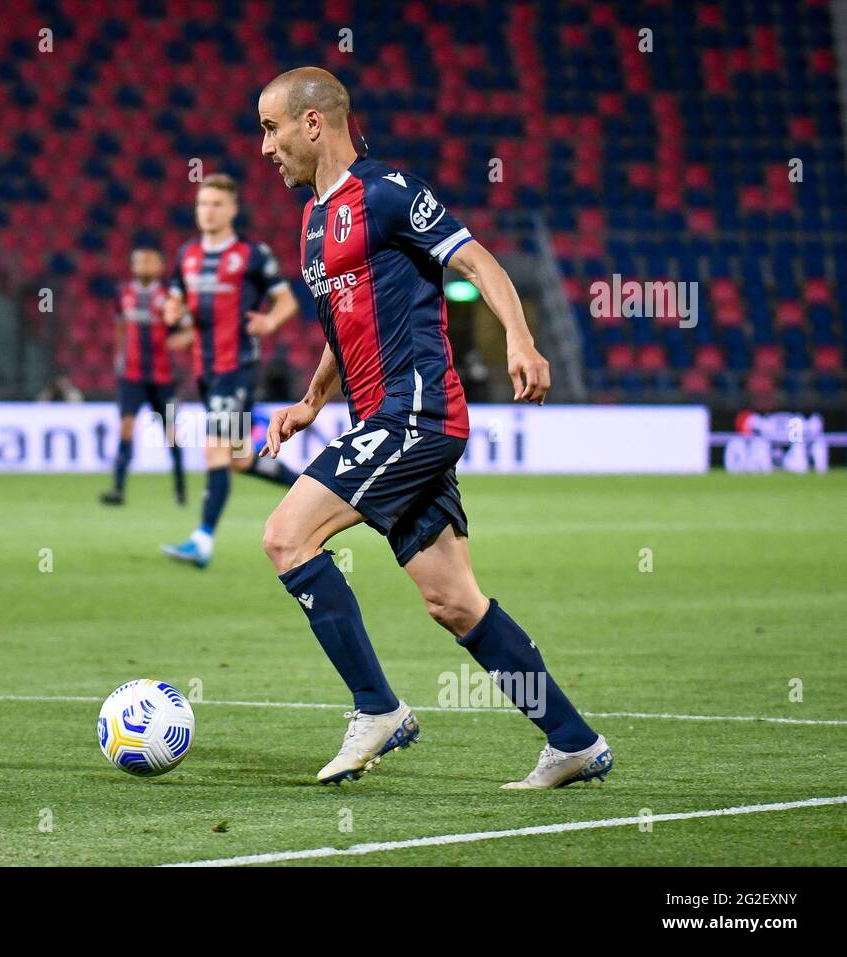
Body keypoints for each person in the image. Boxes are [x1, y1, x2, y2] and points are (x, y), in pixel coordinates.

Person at [256, 67, 613, 789]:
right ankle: (573, 740)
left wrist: (519, 337)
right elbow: (343, 325)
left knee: (286, 536)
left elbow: (477, 260)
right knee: (454, 601)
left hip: (415, 412)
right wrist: (312, 400)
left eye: (271, 127)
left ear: (314, 123)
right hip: (382, 418)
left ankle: (376, 708)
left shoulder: (388, 193)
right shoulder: (314, 219)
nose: (265, 147)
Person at [160, 173, 300, 569]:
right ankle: (310, 485)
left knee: (216, 448)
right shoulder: (186, 255)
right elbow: (177, 312)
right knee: (239, 457)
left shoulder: (253, 254)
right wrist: (174, 315)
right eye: (203, 203)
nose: (209, 211)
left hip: (237, 366)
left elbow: (286, 301)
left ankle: (202, 540)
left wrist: (269, 323)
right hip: (205, 370)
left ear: (233, 210)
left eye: (218, 204)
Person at [101, 246, 187, 506]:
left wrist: (177, 343)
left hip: (163, 377)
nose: (143, 264)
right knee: (126, 428)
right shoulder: (123, 294)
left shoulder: (168, 297)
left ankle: (180, 489)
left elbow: (189, 330)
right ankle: (117, 489)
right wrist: (118, 357)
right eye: (139, 260)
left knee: (171, 433)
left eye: (149, 260)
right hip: (132, 376)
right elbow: (120, 327)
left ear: (161, 267)